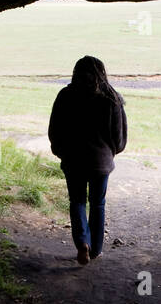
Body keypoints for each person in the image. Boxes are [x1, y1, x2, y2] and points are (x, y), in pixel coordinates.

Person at [47, 56, 128, 265]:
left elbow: (54, 129)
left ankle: (83, 242)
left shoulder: (65, 96)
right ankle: (96, 249)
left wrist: (60, 151)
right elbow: (119, 137)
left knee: (77, 201)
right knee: (98, 203)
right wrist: (111, 152)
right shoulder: (112, 98)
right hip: (100, 162)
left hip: (73, 160)